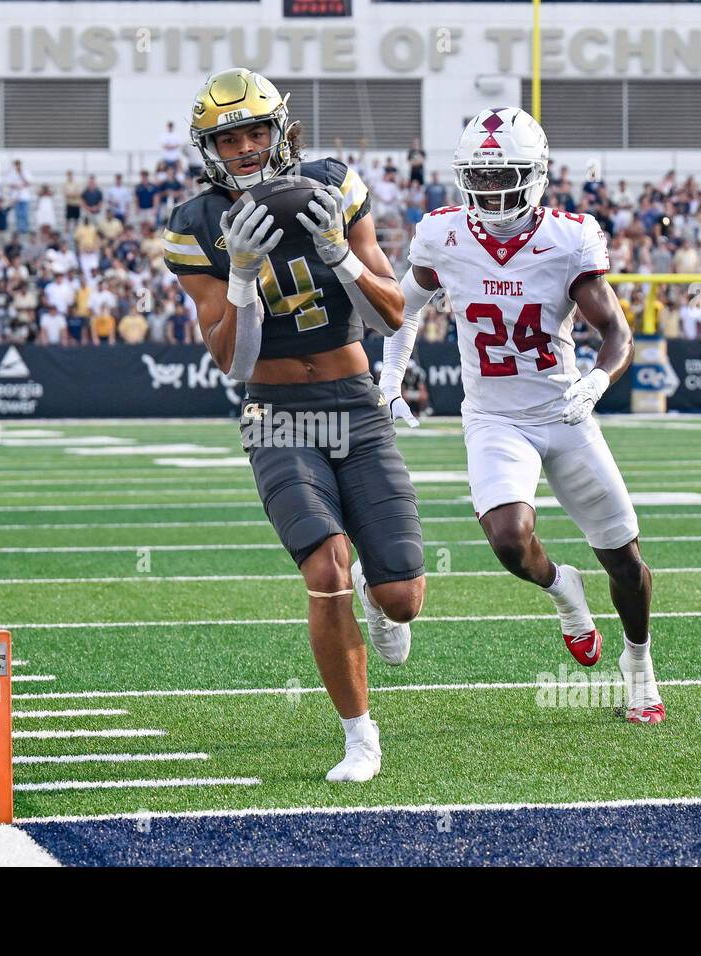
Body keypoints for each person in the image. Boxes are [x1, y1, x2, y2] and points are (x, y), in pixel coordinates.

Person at [163, 68, 425, 782]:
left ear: (281, 131)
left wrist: (340, 255)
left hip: (355, 402)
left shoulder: (334, 184)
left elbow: (390, 314)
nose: (245, 148)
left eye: (254, 132)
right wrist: (242, 278)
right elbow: (231, 358)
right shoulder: (194, 226)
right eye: (228, 138)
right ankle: (360, 737)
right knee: (325, 565)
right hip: (276, 413)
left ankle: (384, 601)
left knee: (401, 594)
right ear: (208, 148)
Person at [381, 106, 665, 725]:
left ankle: (638, 666)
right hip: (493, 417)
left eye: (501, 175)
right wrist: (390, 377)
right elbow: (402, 310)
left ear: (535, 174)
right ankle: (564, 589)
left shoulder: (568, 238)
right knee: (510, 540)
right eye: (477, 178)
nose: (488, 190)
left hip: (564, 411)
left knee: (624, 558)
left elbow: (616, 332)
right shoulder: (441, 235)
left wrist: (596, 379)